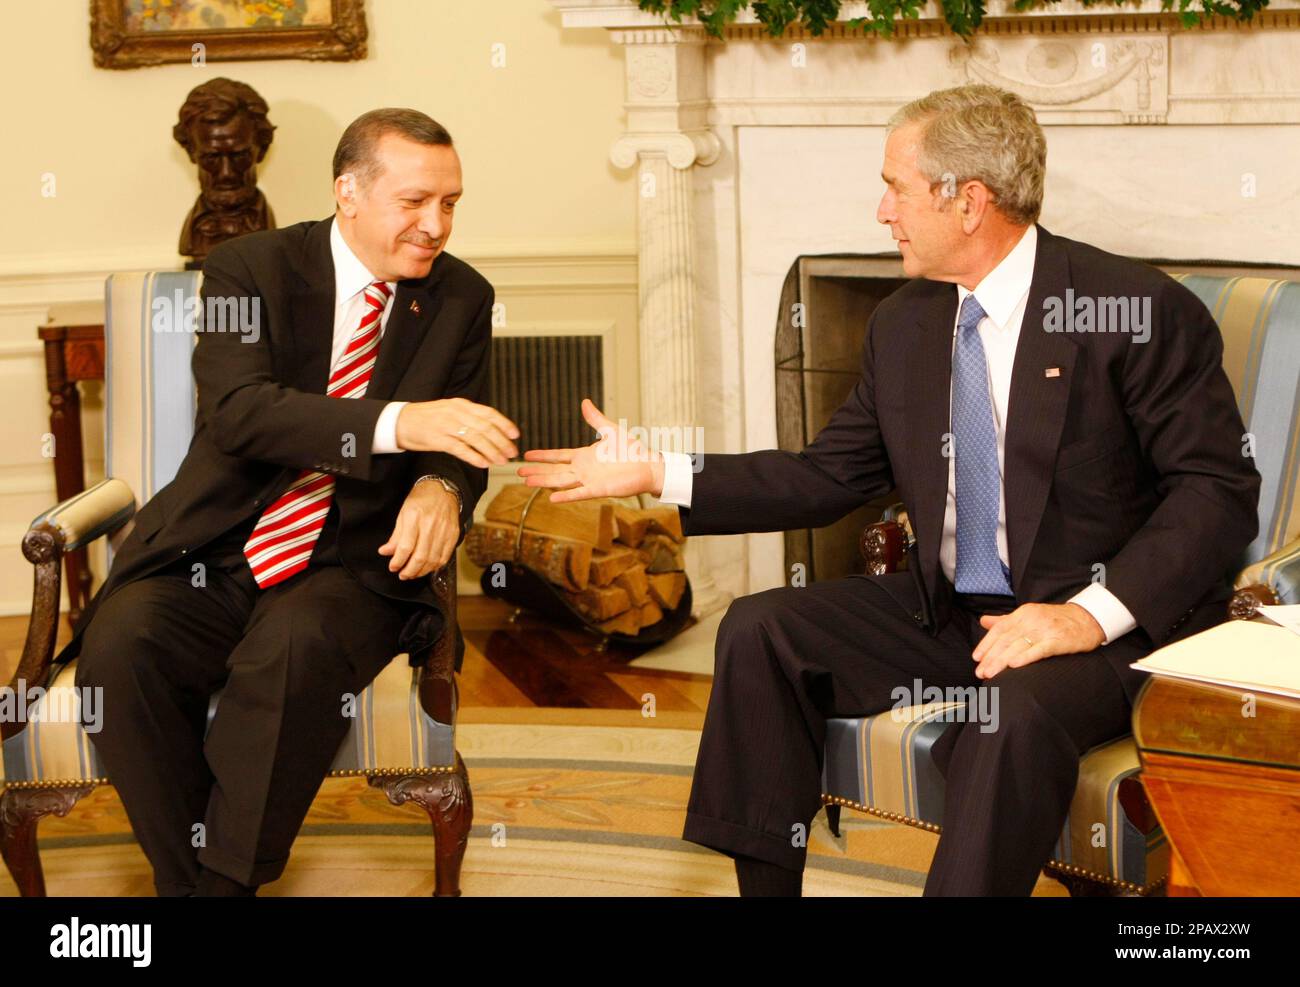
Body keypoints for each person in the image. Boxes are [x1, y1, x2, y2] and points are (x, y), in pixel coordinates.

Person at [518, 85, 1261, 896]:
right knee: (763, 629)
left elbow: (1216, 494)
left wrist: (1084, 616)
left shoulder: (1135, 312)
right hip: (953, 614)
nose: (881, 210)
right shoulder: (905, 324)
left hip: (1099, 630)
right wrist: (660, 472)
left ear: (968, 201)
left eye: (896, 187)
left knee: (1007, 717)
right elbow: (825, 474)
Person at [63, 108, 519, 897]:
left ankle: (222, 887)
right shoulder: (250, 268)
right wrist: (400, 422)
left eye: (450, 202)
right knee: (120, 650)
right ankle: (197, 884)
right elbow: (241, 411)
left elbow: (462, 436)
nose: (436, 224)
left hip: (354, 558)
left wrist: (442, 484)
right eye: (415, 201)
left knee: (292, 649)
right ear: (348, 191)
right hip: (215, 544)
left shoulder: (460, 297)